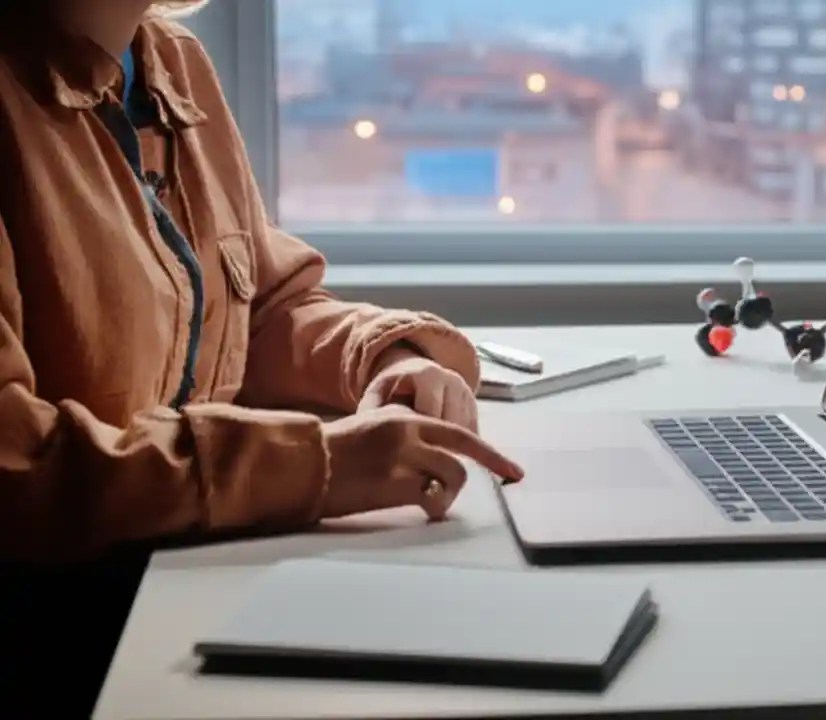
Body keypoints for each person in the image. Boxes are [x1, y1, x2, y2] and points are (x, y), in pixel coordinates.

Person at [0, 1, 525, 713]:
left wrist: (382, 359)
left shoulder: (169, 61)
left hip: (186, 575)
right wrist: (321, 464)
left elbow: (259, 307)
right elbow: (17, 468)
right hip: (65, 636)